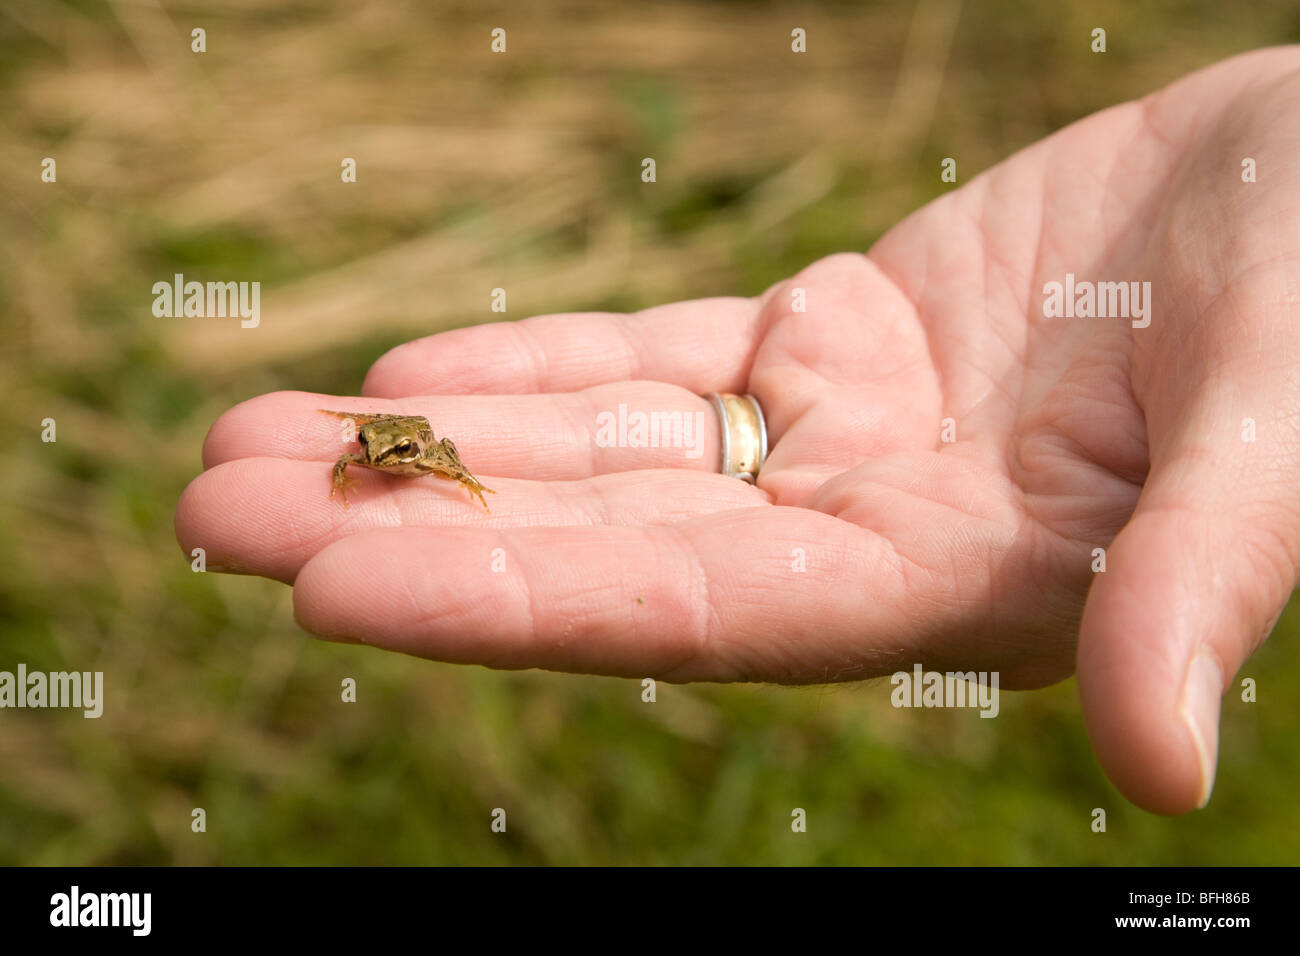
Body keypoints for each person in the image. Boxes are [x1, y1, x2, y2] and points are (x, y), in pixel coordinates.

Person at [176, 47, 1300, 817]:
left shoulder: (423, 453)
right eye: (379, 456)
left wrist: (453, 481)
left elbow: (437, 447)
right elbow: (373, 436)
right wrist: (353, 453)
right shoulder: (376, 452)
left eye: (386, 453)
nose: (381, 461)